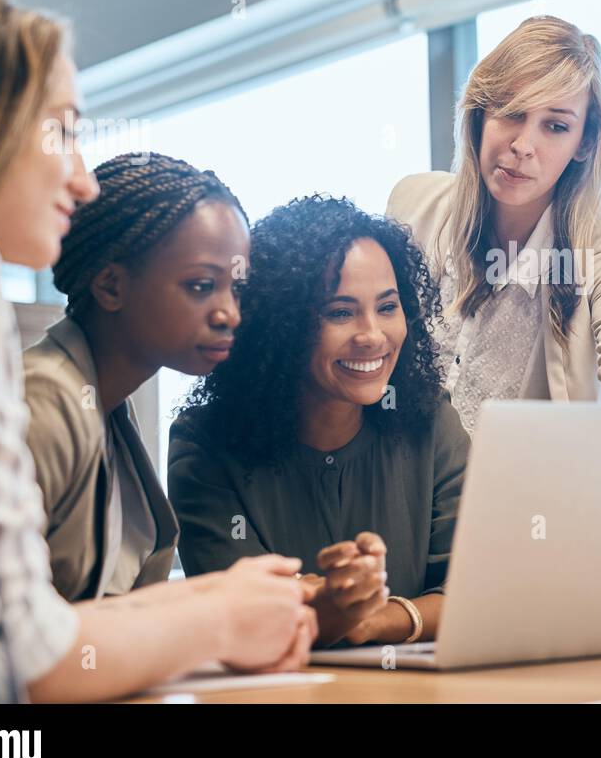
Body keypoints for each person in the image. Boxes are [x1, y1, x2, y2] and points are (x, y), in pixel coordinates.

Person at [0, 0, 321, 703]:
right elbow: (7, 654)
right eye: (61, 130)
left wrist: (227, 603)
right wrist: (218, 615)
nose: (82, 178)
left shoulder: (107, 410)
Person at [169, 195, 467, 647]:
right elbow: (242, 614)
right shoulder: (204, 447)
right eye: (340, 313)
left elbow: (475, 590)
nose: (372, 335)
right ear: (281, 325)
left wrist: (376, 619)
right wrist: (333, 604)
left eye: (388, 307)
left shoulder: (430, 422)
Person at [387, 15, 601, 434]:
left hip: (518, 498)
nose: (523, 146)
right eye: (511, 112)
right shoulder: (413, 205)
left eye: (555, 126)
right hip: (396, 491)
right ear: (479, 115)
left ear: (586, 143)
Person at [24, 152, 248, 601]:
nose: (230, 314)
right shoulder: (41, 406)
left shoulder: (108, 407)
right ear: (111, 287)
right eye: (202, 286)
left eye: (236, 288)